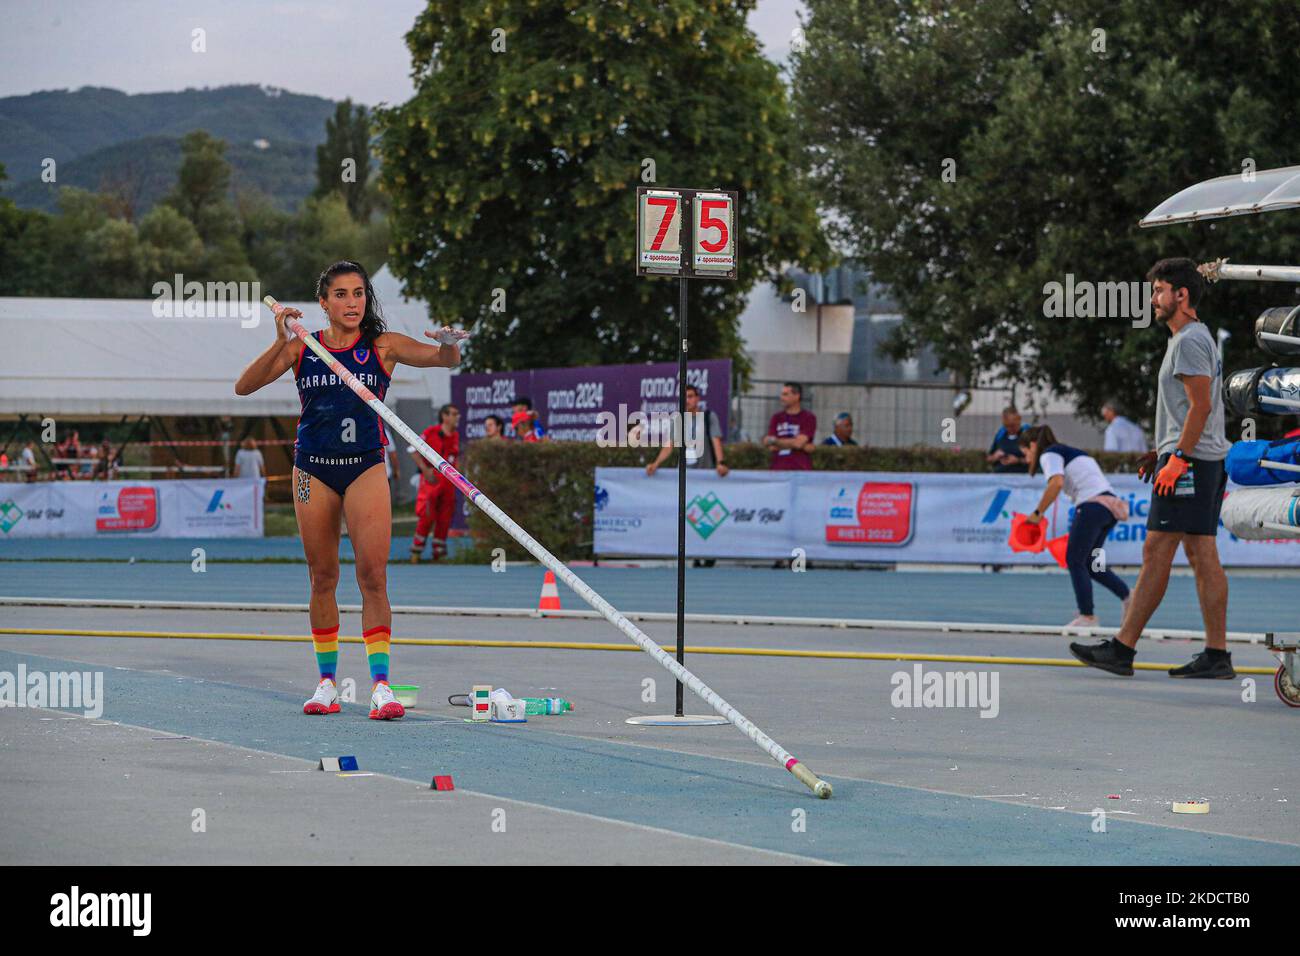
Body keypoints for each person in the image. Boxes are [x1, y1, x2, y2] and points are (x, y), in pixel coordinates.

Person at [235, 259, 468, 719]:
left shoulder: (382, 346)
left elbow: (443, 360)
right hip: (313, 470)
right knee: (323, 577)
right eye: (340, 294)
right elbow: (244, 387)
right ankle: (326, 684)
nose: (352, 303)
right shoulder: (304, 347)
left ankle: (381, 686)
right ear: (323, 303)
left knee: (372, 575)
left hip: (364, 467)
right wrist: (280, 341)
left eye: (358, 293)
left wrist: (447, 346)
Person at [1070, 257, 1233, 679]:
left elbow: (1202, 406)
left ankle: (1122, 649)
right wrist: (1162, 450)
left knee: (1157, 549)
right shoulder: (1189, 338)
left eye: (1159, 290)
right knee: (1201, 554)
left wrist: (1177, 457)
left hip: (1192, 462)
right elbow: (1189, 411)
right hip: (1197, 459)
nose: (1153, 299)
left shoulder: (1189, 340)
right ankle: (1217, 655)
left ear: (1182, 295)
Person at [1019, 424, 1131, 627]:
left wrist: (1037, 513)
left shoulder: (1049, 453)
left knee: (1074, 559)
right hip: (1109, 508)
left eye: (1026, 453)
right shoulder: (1072, 451)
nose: (1027, 459)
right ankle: (1129, 598)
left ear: (1033, 445)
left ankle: (1087, 616)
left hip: (1092, 507)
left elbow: (1056, 484)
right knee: (1091, 564)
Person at [411, 404, 460, 563]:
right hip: (432, 479)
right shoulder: (431, 432)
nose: (457, 417)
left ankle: (438, 552)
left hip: (449, 481)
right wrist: (425, 470)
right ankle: (416, 551)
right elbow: (412, 450)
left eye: (457, 414)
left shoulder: (455, 436)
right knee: (427, 514)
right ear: (444, 416)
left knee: (445, 516)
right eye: (453, 414)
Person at [645, 384, 729, 477]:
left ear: (697, 398)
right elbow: (669, 445)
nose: (687, 400)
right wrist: (656, 464)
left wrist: (720, 463)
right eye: (684, 397)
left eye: (690, 396)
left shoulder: (709, 417)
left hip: (705, 473)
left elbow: (716, 441)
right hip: (683, 475)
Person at [764, 382, 816, 469]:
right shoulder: (776, 417)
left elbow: (798, 443)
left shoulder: (808, 417)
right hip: (777, 469)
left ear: (797, 396)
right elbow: (770, 446)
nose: (782, 398)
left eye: (785, 394)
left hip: (799, 469)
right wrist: (801, 445)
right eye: (782, 394)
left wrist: (776, 441)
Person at [987, 407, 1028, 473]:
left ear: (1019, 419)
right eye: (1006, 426)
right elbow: (989, 458)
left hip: (1021, 476)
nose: (1009, 429)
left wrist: (1018, 460)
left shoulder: (1027, 435)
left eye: (1012, 425)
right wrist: (994, 457)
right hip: (1000, 476)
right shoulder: (1000, 435)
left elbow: (1035, 460)